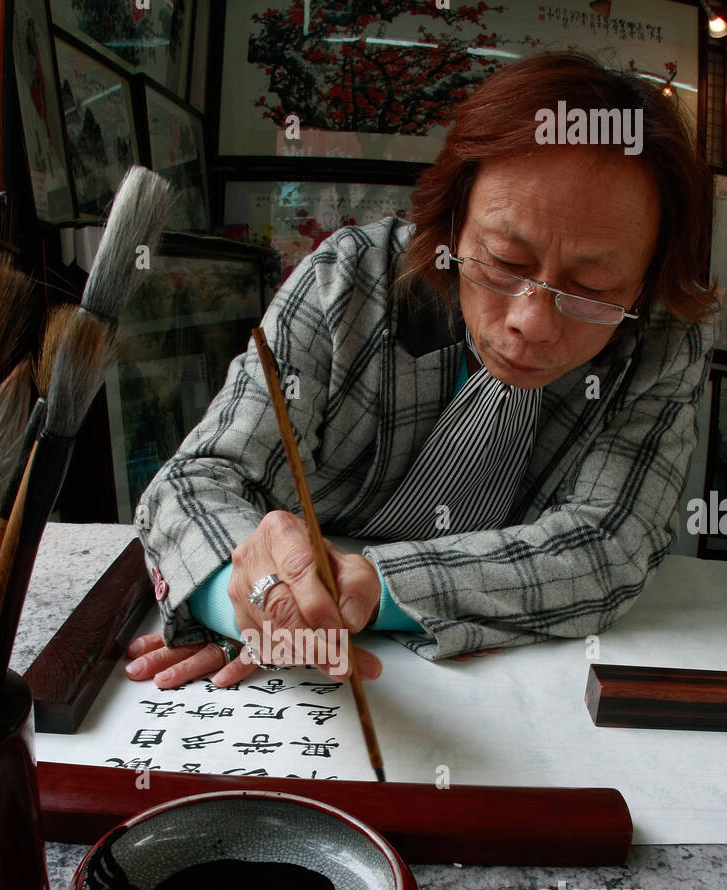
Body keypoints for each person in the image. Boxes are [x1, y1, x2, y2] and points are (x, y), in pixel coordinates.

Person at [127, 50, 721, 693]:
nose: (533, 322)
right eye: (503, 261)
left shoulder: (659, 349)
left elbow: (608, 544)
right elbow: (202, 476)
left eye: (593, 287)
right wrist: (240, 600)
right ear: (453, 220)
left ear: (645, 284)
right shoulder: (350, 284)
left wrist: (374, 587)